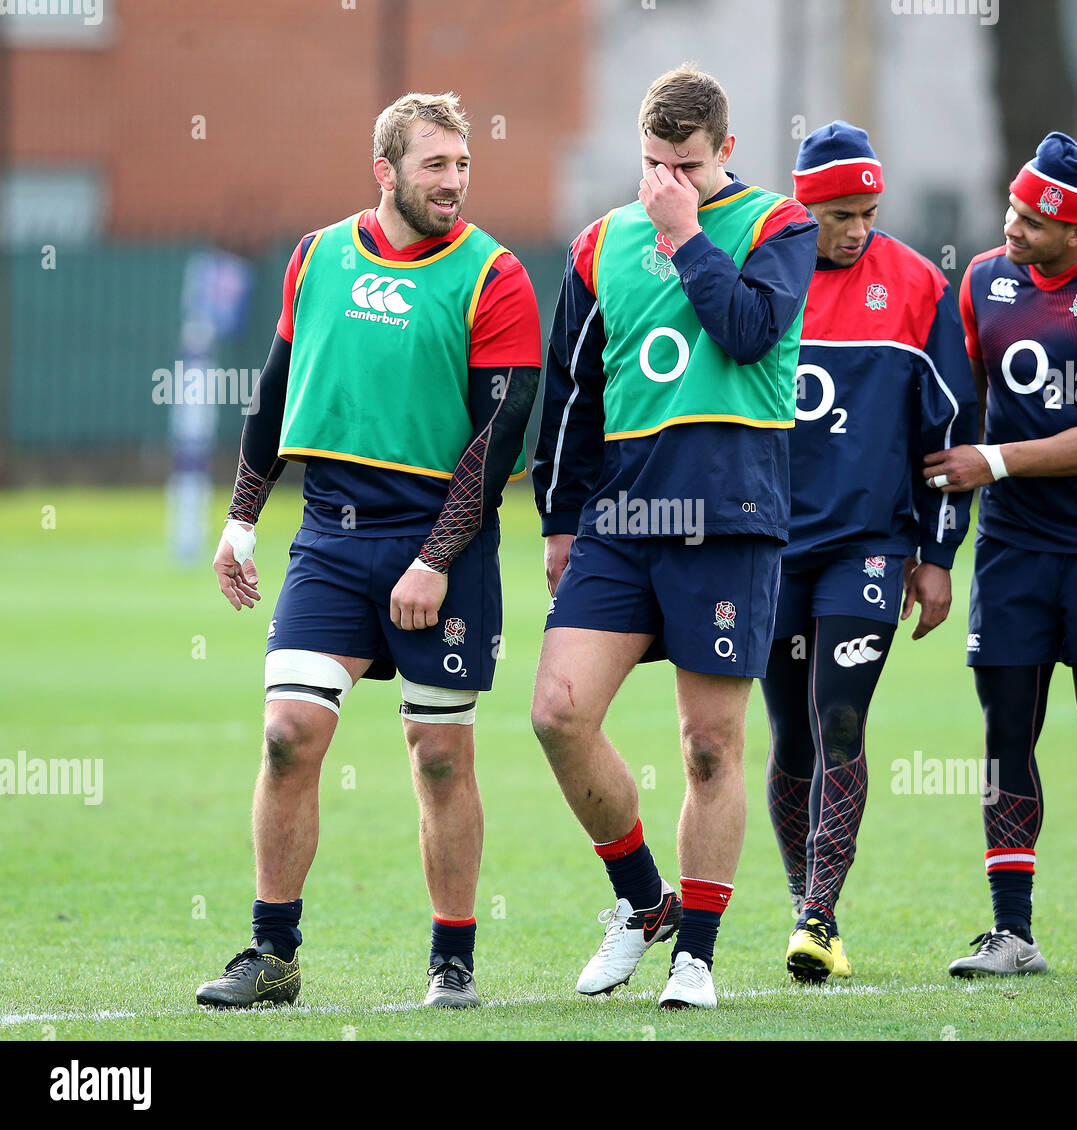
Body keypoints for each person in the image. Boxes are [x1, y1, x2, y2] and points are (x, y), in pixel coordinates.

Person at [195, 92, 541, 1010]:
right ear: (384, 171)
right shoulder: (316, 256)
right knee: (286, 736)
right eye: (436, 166)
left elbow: (498, 436)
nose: (454, 184)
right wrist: (240, 517)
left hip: (443, 541)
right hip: (331, 537)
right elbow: (274, 393)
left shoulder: (494, 275)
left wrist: (433, 558)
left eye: (463, 166)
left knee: (438, 756)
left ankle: (453, 963)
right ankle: (272, 956)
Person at [531, 64, 817, 1009]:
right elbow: (572, 395)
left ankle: (695, 952)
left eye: (685, 166)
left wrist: (686, 235)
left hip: (729, 518)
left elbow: (744, 331)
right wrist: (562, 517)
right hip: (620, 520)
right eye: (652, 164)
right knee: (559, 714)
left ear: (724, 152)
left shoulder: (780, 226)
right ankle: (638, 898)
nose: (664, 183)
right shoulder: (598, 243)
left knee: (707, 747)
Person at [923, 132, 1077, 976]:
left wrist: (995, 462)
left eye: (1034, 221)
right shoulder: (984, 279)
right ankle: (1013, 934)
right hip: (1012, 550)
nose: (1013, 229)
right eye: (1012, 210)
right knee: (1005, 736)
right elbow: (971, 404)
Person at [763, 121, 977, 982]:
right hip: (770, 544)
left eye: (869, 212)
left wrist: (938, 552)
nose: (856, 230)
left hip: (871, 545)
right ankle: (804, 901)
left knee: (840, 717)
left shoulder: (919, 284)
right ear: (803, 204)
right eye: (840, 214)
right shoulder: (761, 271)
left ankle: (818, 915)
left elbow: (951, 432)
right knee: (788, 742)